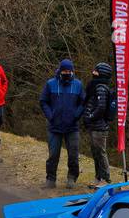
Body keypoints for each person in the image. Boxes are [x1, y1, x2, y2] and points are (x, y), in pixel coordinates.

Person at [39, 59, 85, 188]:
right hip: (54, 126)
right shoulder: (50, 84)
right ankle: (51, 179)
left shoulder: (78, 85)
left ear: (72, 71)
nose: (67, 73)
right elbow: (43, 101)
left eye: (69, 71)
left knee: (73, 155)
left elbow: (83, 102)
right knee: (53, 155)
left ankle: (72, 178)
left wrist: (77, 115)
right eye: (64, 70)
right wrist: (50, 115)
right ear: (60, 70)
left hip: (72, 127)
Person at [81, 62, 117, 185]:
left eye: (96, 71)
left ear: (102, 73)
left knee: (101, 153)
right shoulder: (96, 86)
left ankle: (106, 179)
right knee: (96, 153)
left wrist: (90, 117)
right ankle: (98, 178)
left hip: (99, 128)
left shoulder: (101, 87)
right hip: (94, 126)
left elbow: (101, 107)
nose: (93, 73)